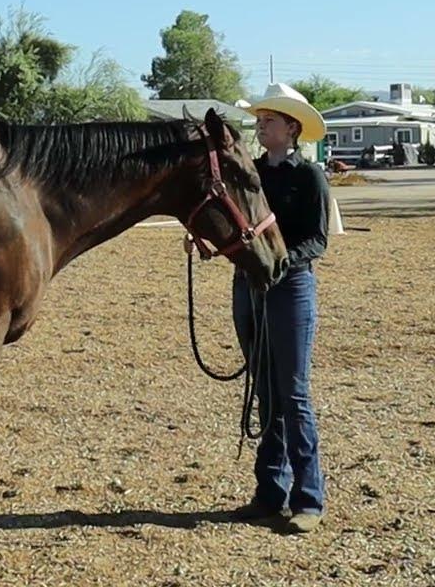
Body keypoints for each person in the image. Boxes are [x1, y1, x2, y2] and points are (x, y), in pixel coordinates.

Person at [194, 83, 331, 533]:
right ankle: (271, 491)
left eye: (269, 120)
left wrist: (281, 259)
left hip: (290, 285)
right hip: (250, 284)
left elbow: (318, 238)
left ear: (291, 128)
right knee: (263, 387)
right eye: (261, 120)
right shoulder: (250, 172)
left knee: (292, 391)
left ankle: (308, 497)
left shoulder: (307, 175)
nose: (261, 126)